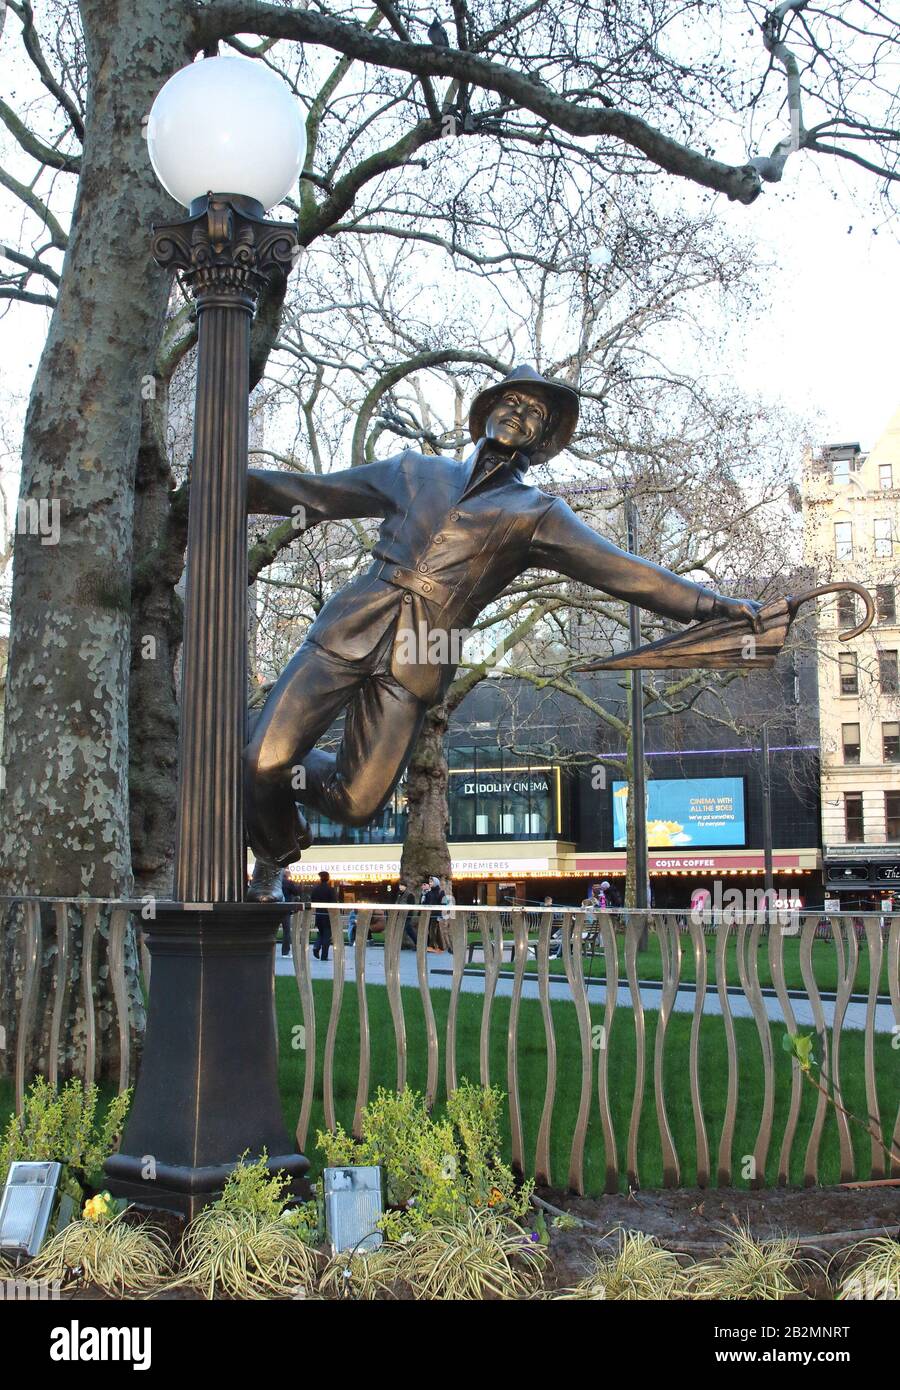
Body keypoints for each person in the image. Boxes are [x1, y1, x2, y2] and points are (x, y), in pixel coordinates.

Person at [243, 363, 762, 900]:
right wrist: (236, 484)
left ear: (541, 438)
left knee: (355, 802)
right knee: (262, 760)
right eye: (512, 401)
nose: (520, 413)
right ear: (486, 412)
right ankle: (274, 856)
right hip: (351, 624)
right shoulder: (414, 470)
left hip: (421, 653)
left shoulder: (536, 513)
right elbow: (317, 494)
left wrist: (712, 605)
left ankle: (254, 737)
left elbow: (623, 571)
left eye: (536, 412)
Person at [311, 870, 336, 961]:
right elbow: (334, 902)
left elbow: (312, 900)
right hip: (327, 915)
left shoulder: (315, 889)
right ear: (328, 878)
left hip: (318, 914)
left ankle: (316, 946)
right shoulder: (330, 889)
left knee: (321, 933)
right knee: (327, 935)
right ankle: (324, 956)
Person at [396, 880, 418, 949]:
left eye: (402, 885)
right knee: (407, 930)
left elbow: (411, 906)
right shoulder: (399, 894)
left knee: (408, 930)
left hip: (407, 915)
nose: (400, 887)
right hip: (400, 915)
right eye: (400, 885)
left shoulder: (410, 895)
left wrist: (409, 914)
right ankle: (416, 943)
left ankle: (417, 943)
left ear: (405, 886)